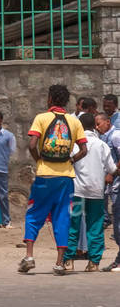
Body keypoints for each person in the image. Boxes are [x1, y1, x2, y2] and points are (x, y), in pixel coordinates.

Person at [20, 85, 88, 275]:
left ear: (50, 99)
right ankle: (60, 262)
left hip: (44, 175)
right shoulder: (74, 122)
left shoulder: (41, 118)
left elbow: (32, 144)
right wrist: (71, 160)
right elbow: (84, 150)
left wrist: (39, 159)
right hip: (66, 178)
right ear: (66, 102)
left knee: (34, 214)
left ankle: (29, 256)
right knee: (63, 217)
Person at [65, 111, 113, 272]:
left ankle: (68, 260)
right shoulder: (102, 145)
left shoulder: (74, 145)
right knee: (95, 226)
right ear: (94, 126)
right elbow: (112, 168)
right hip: (96, 191)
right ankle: (94, 262)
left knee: (73, 225)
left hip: (76, 190)